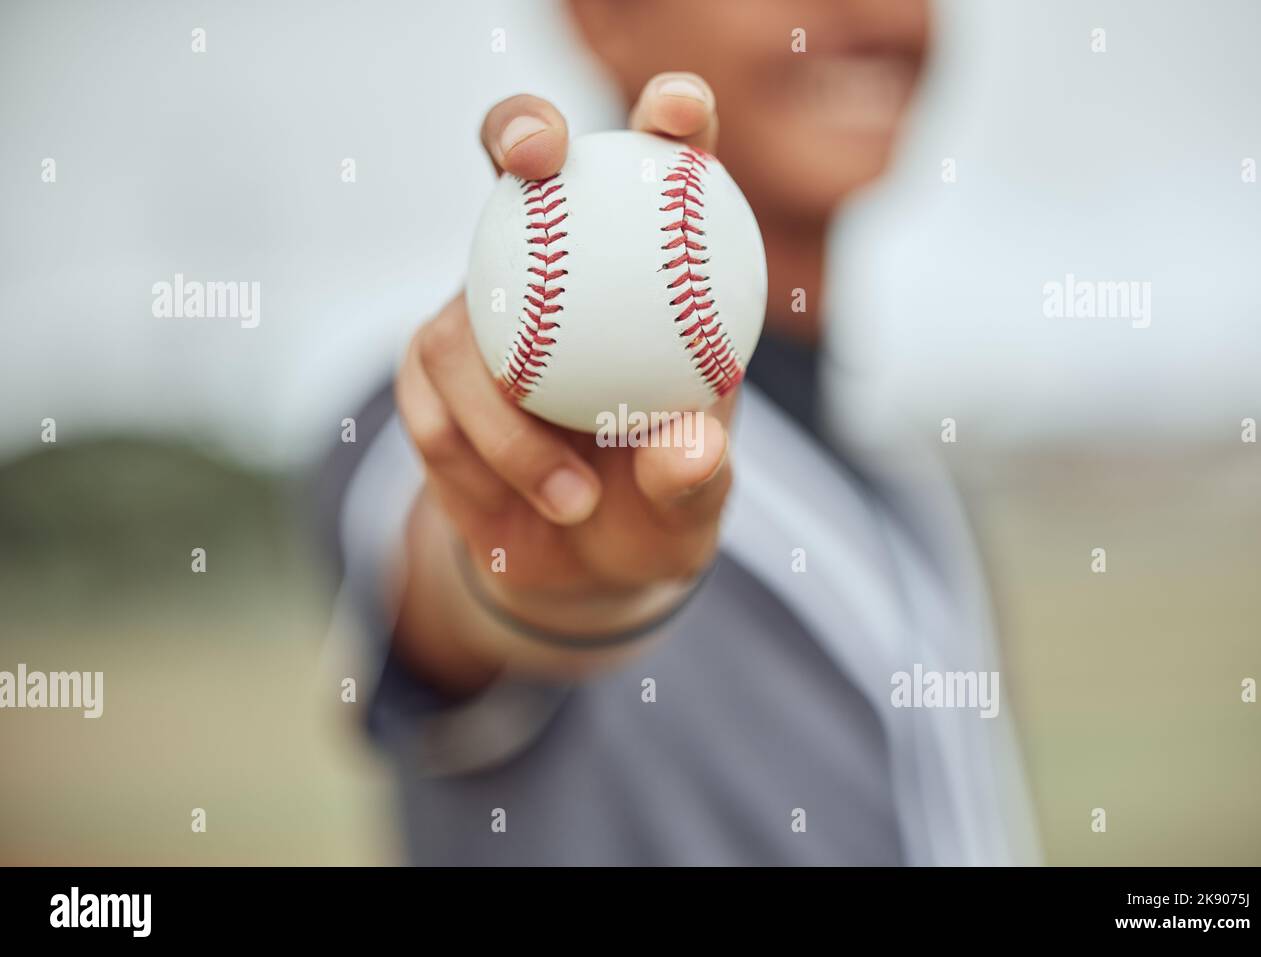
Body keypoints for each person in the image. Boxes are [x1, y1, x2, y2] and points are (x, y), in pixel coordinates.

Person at [320, 0, 1036, 865]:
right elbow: (446, 569)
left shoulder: (908, 470)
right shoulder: (458, 408)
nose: (868, 11)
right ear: (606, 18)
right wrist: (553, 586)